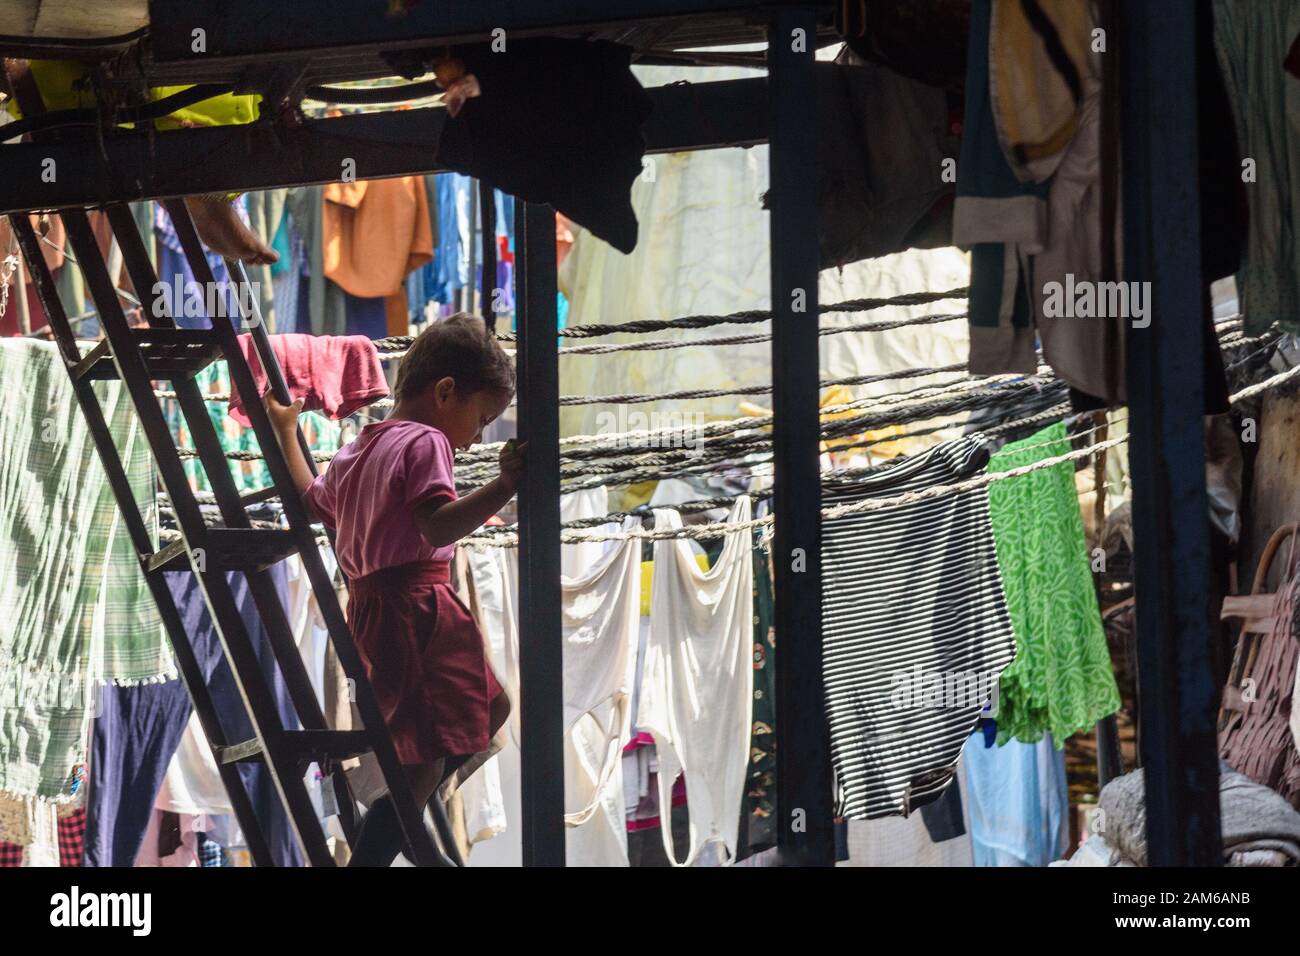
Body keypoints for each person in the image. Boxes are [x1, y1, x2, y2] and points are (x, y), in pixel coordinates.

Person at [264, 313, 524, 866]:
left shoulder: (361, 448)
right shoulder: (427, 441)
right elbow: (436, 526)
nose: (478, 438)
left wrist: (287, 433)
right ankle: (383, 851)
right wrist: (504, 486)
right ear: (446, 392)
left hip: (376, 610)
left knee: (483, 713)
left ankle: (408, 832)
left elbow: (310, 498)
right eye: (482, 419)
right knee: (436, 750)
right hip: (417, 607)